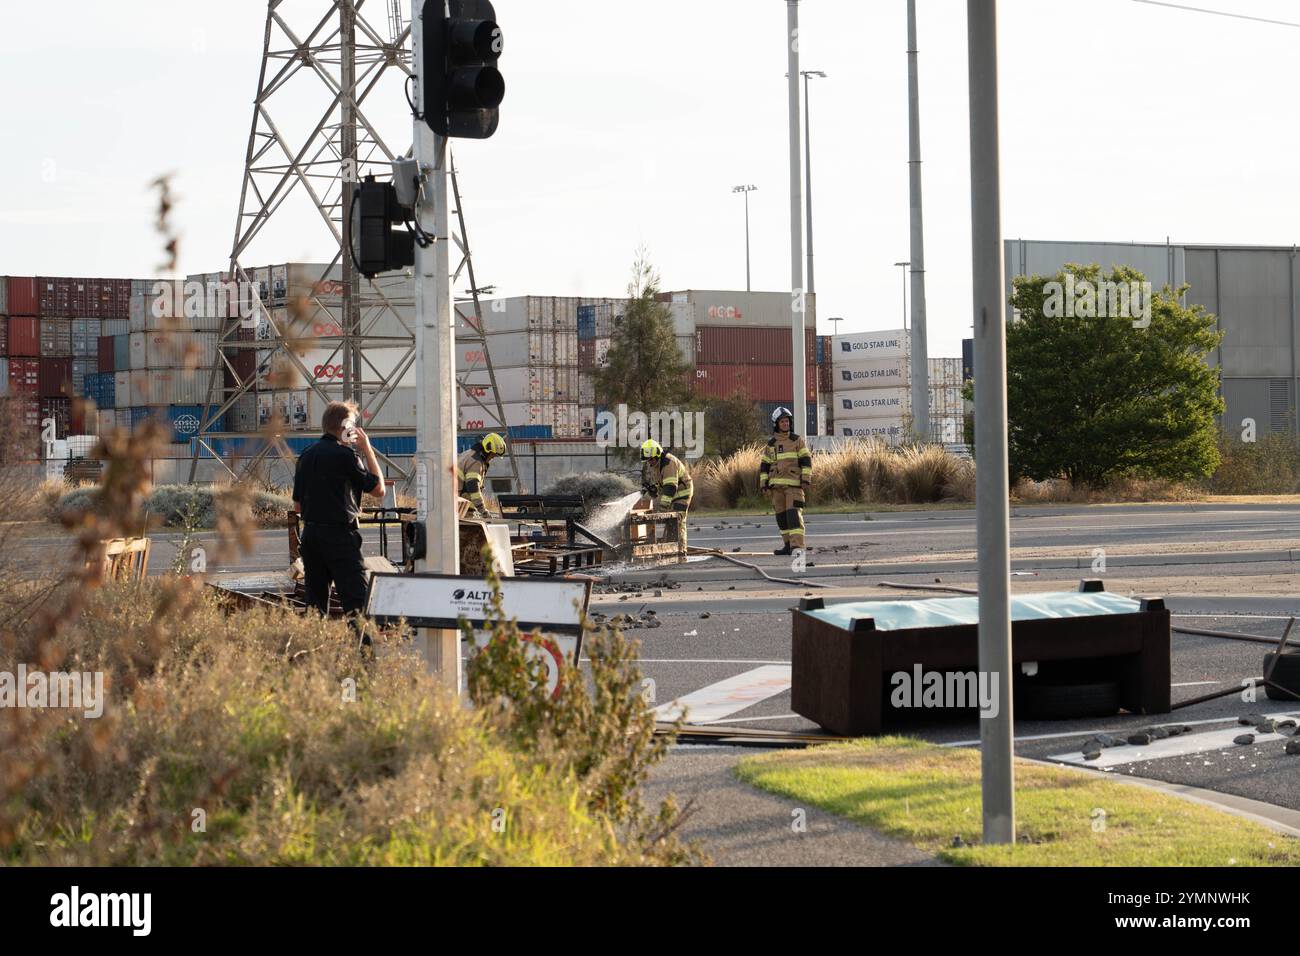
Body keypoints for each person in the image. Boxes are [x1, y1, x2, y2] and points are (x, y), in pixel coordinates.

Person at [292, 401, 385, 631]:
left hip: (311, 536)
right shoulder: (347, 456)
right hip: (340, 538)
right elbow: (379, 490)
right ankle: (365, 660)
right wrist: (368, 449)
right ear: (346, 427)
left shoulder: (306, 456)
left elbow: (297, 506)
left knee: (315, 606)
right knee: (357, 604)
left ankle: (314, 658)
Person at [758, 406, 812, 555]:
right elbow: (765, 465)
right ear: (776, 424)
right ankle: (788, 545)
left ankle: (797, 547)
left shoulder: (797, 441)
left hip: (793, 487)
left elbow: (806, 460)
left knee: (793, 516)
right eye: (782, 422)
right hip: (777, 489)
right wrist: (764, 484)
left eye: (787, 421)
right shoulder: (771, 444)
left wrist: (805, 479)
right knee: (781, 518)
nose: (786, 424)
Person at [640, 438, 693, 547]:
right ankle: (671, 545)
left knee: (677, 522)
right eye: (648, 460)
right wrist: (654, 489)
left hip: (682, 494)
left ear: (657, 455)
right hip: (672, 494)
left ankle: (680, 550)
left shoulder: (669, 463)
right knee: (670, 522)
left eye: (651, 459)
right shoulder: (657, 464)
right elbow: (663, 484)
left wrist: (663, 507)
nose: (650, 462)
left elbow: (670, 487)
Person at [458, 432, 506, 518]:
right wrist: (483, 511)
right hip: (461, 506)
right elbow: (473, 488)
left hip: (457, 503)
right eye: (493, 455)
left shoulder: (469, 453)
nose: (493, 458)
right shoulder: (476, 462)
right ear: (488, 451)